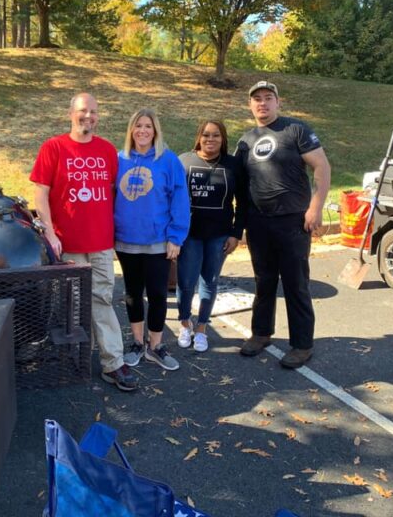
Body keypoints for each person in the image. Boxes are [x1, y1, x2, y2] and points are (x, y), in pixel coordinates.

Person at [30, 93, 138, 391]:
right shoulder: (53, 147)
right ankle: (74, 358)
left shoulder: (107, 150)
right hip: (68, 244)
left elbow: (114, 192)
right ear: (70, 113)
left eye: (93, 111)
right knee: (72, 305)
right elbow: (41, 193)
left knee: (101, 299)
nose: (88, 116)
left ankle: (112, 363)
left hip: (101, 243)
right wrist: (50, 233)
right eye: (82, 110)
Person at [237, 81, 331, 368]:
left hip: (292, 222)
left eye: (268, 98)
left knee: (295, 283)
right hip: (259, 223)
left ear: (278, 102)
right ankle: (261, 333)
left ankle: (302, 345)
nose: (262, 103)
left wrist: (315, 207)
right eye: (257, 99)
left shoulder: (295, 129)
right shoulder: (246, 141)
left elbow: (322, 166)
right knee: (263, 282)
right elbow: (240, 184)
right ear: (250, 105)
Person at [114, 108, 190, 371]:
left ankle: (155, 346)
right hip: (126, 240)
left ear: (155, 130)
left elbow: (180, 200)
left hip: (158, 241)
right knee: (133, 294)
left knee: (157, 294)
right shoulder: (119, 159)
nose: (143, 131)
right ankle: (137, 343)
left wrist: (176, 237)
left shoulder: (168, 161)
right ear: (131, 130)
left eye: (148, 126)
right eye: (138, 126)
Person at [176, 120, 247, 352]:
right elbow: (172, 198)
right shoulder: (184, 161)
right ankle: (185, 323)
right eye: (206, 135)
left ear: (223, 139)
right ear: (199, 137)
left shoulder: (233, 165)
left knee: (210, 281)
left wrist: (236, 233)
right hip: (189, 235)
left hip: (219, 235)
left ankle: (202, 328)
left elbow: (243, 203)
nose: (210, 139)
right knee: (186, 282)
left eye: (216, 135)